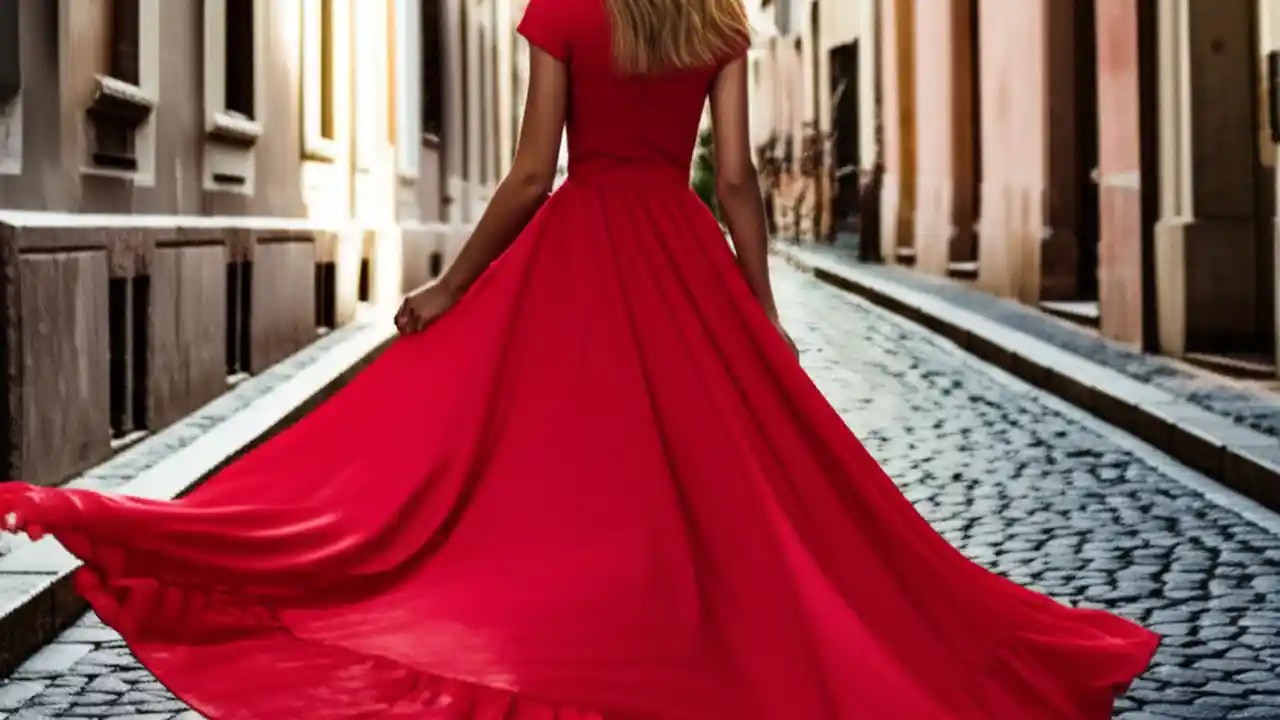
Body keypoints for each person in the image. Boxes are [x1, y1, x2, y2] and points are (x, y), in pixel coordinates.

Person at [1, 0, 1158, 717]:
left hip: (581, 248)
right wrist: (755, 313)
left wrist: (454, 286)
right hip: (680, 250)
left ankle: (580, 619)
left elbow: (529, 171)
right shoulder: (719, 20)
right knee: (715, 469)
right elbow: (741, 184)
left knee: (552, 459)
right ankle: (676, 623)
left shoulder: (559, 9)